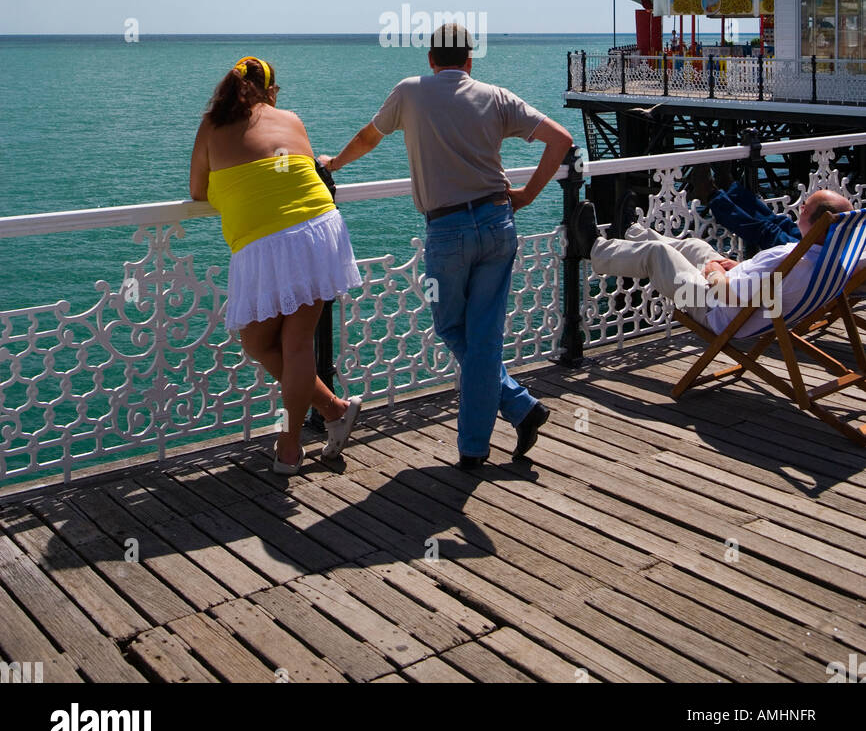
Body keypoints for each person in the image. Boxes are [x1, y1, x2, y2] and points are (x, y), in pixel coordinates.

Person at [319, 24, 573, 469]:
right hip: (498, 225)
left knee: (453, 329)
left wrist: (333, 163)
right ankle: (520, 408)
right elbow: (562, 140)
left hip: (447, 231)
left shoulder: (410, 92)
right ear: (470, 62)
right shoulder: (496, 96)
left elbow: (369, 137)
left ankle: (476, 447)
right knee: (484, 338)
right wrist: (527, 195)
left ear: (432, 60)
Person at [190, 55, 363, 475]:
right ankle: (336, 410)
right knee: (259, 341)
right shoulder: (291, 119)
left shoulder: (212, 125)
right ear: (271, 91)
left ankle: (289, 446)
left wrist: (239, 186)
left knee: (293, 343)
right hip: (309, 232)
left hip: (277, 238)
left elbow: (197, 190)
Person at [576, 189, 855, 340]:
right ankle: (632, 232)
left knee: (658, 255)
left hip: (716, 310)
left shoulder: (793, 260)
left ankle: (593, 248)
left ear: (817, 221)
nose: (801, 208)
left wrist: (717, 273)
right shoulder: (832, 260)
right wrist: (734, 266)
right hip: (756, 307)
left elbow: (730, 295)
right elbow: (772, 290)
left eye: (806, 207)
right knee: (697, 246)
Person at [689, 165, 799, 252]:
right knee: (781, 224)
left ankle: (712, 195)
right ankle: (731, 190)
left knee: (767, 234)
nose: (802, 207)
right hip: (813, 247)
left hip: (807, 256)